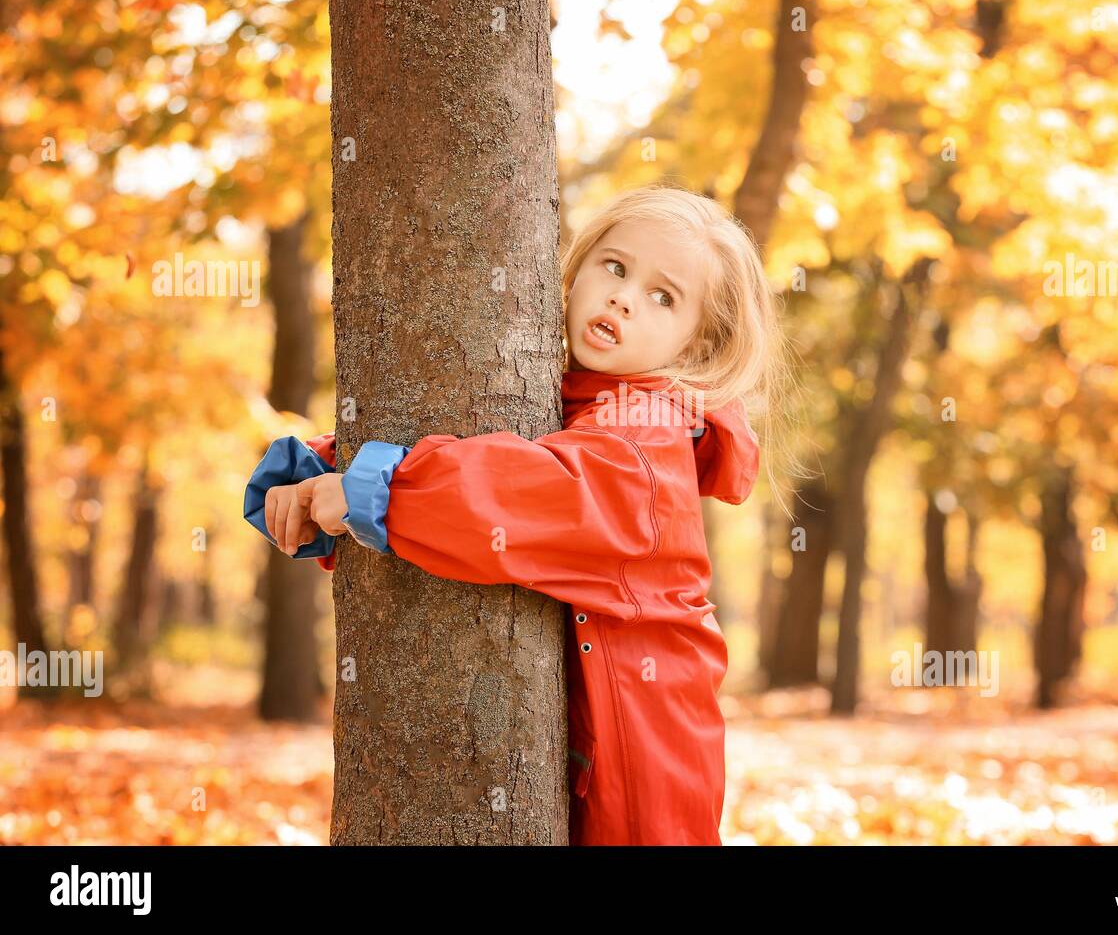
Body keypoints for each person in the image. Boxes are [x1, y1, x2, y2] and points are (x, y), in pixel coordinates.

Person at [245, 184, 801, 844]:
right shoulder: (579, 409)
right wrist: (321, 473)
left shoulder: (646, 443)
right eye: (615, 267)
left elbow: (531, 491)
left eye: (663, 297)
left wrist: (377, 487)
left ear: (697, 348)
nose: (624, 297)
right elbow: (504, 456)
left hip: (647, 777)